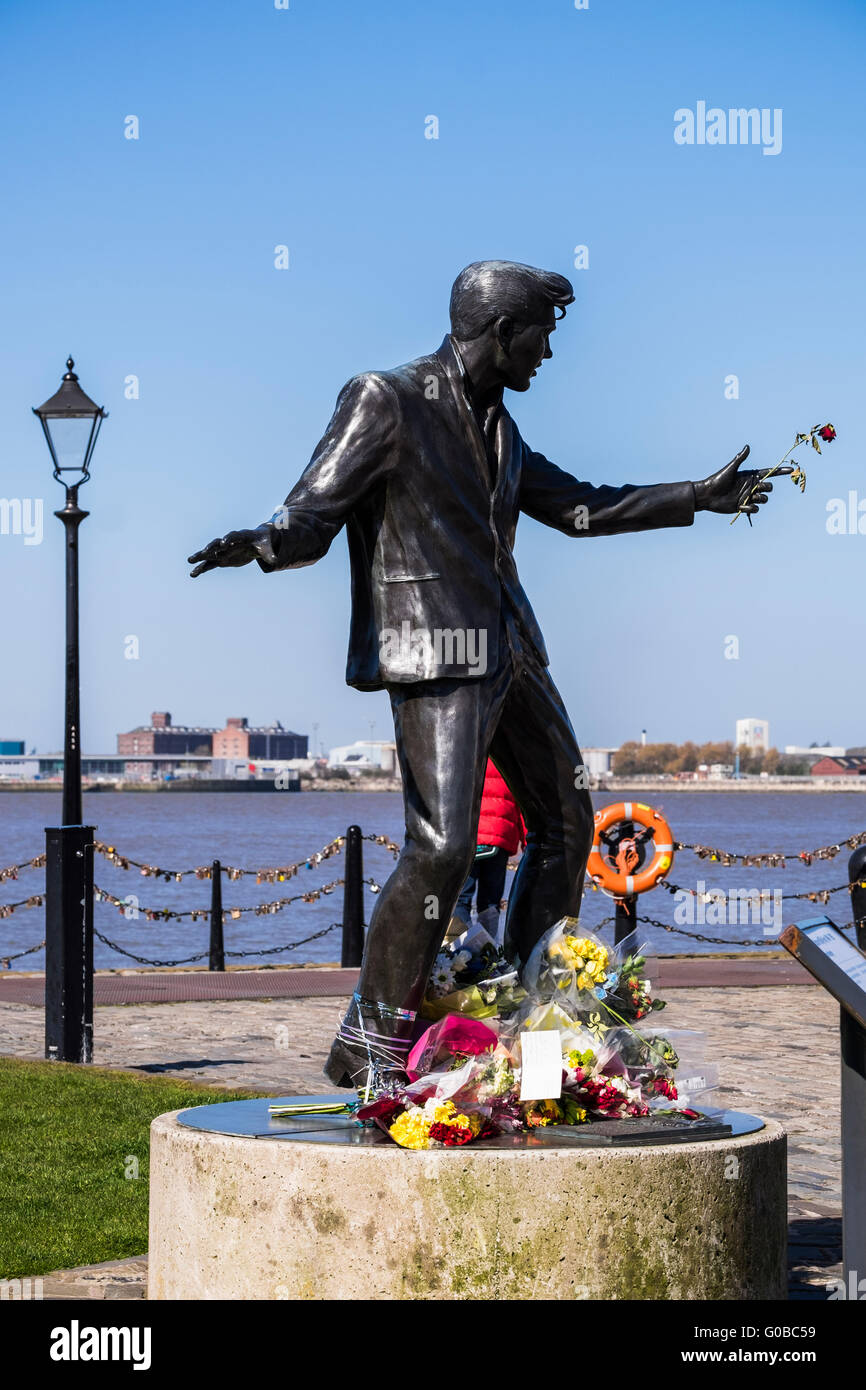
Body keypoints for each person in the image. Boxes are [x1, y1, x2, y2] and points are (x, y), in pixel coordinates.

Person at [189, 259, 782, 1087]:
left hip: (512, 650)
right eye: (542, 336)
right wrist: (264, 540)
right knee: (442, 846)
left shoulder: (501, 427)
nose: (548, 353)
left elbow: (583, 508)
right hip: (436, 652)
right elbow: (313, 511)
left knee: (569, 822)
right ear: (504, 331)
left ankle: (526, 1018)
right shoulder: (386, 397)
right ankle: (368, 1049)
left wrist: (697, 497)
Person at [452, 759, 525, 939]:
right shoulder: (511, 758)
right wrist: (527, 841)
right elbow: (523, 805)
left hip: (467, 837)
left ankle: (461, 949)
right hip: (498, 838)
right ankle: (487, 950)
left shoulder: (467, 752)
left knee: (460, 898)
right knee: (491, 902)